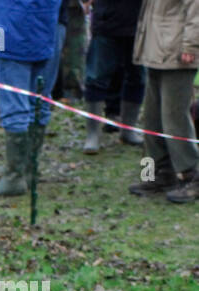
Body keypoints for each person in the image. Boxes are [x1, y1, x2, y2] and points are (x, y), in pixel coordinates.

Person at [0, 0, 63, 197]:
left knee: (14, 103)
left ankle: (15, 176)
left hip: (9, 25)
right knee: (38, 99)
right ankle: (28, 170)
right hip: (47, 23)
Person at [128, 0, 199, 202]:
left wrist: (191, 45)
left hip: (177, 54)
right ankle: (153, 174)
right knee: (151, 120)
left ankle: (191, 176)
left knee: (174, 119)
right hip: (155, 52)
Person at [83, 0, 146, 153]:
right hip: (106, 22)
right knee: (96, 78)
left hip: (140, 24)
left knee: (137, 77)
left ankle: (128, 130)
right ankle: (93, 134)